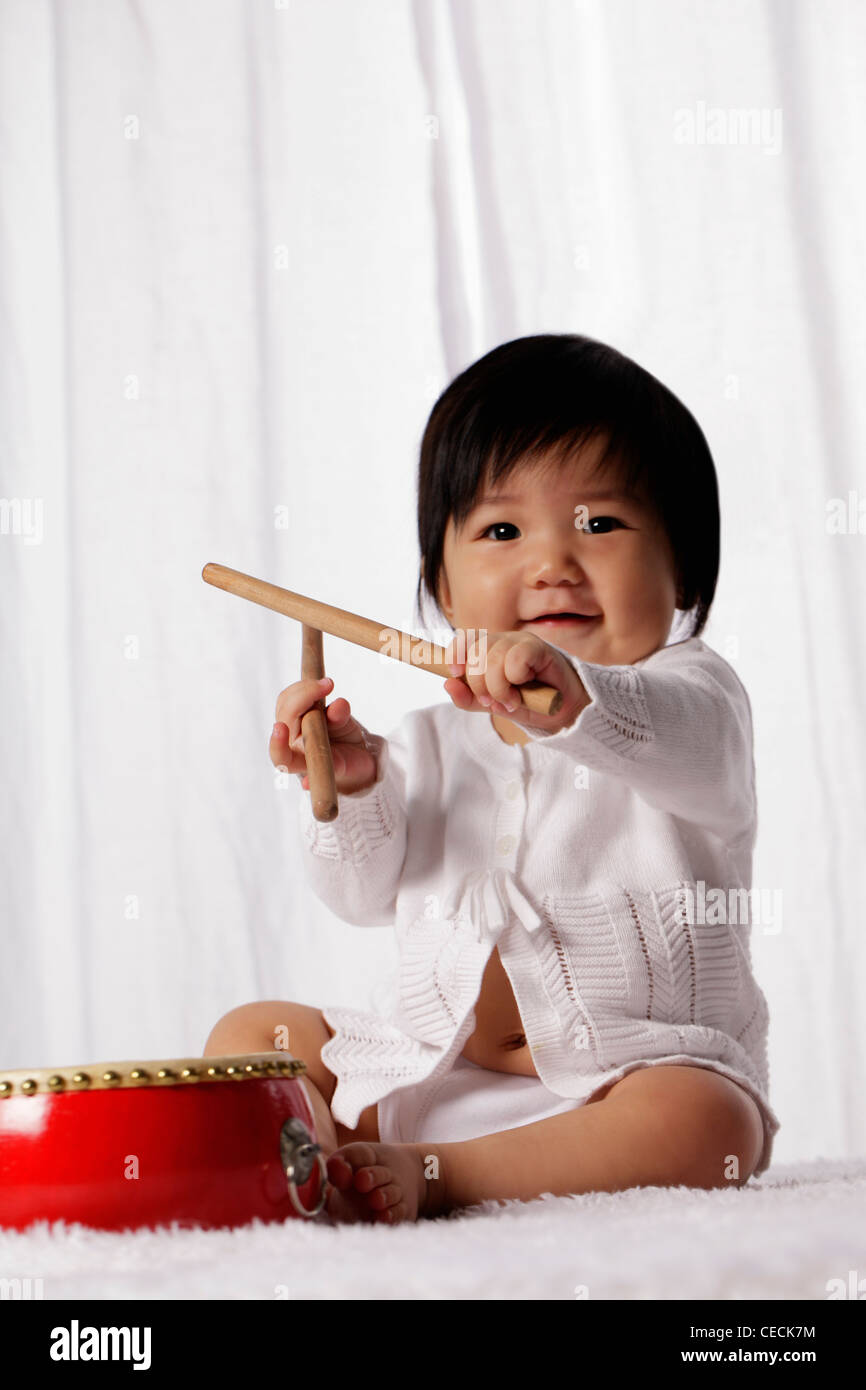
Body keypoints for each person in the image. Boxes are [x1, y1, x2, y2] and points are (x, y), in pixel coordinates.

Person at [203, 333, 779, 1224]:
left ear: (684, 574)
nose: (551, 561)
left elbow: (674, 737)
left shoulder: (691, 702)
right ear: (440, 582)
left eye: (601, 523)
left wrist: (576, 696)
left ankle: (440, 1176)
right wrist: (349, 787)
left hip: (614, 1094)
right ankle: (327, 1162)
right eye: (502, 531)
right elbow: (360, 895)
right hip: (428, 1069)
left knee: (712, 1119)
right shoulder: (432, 740)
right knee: (251, 1035)